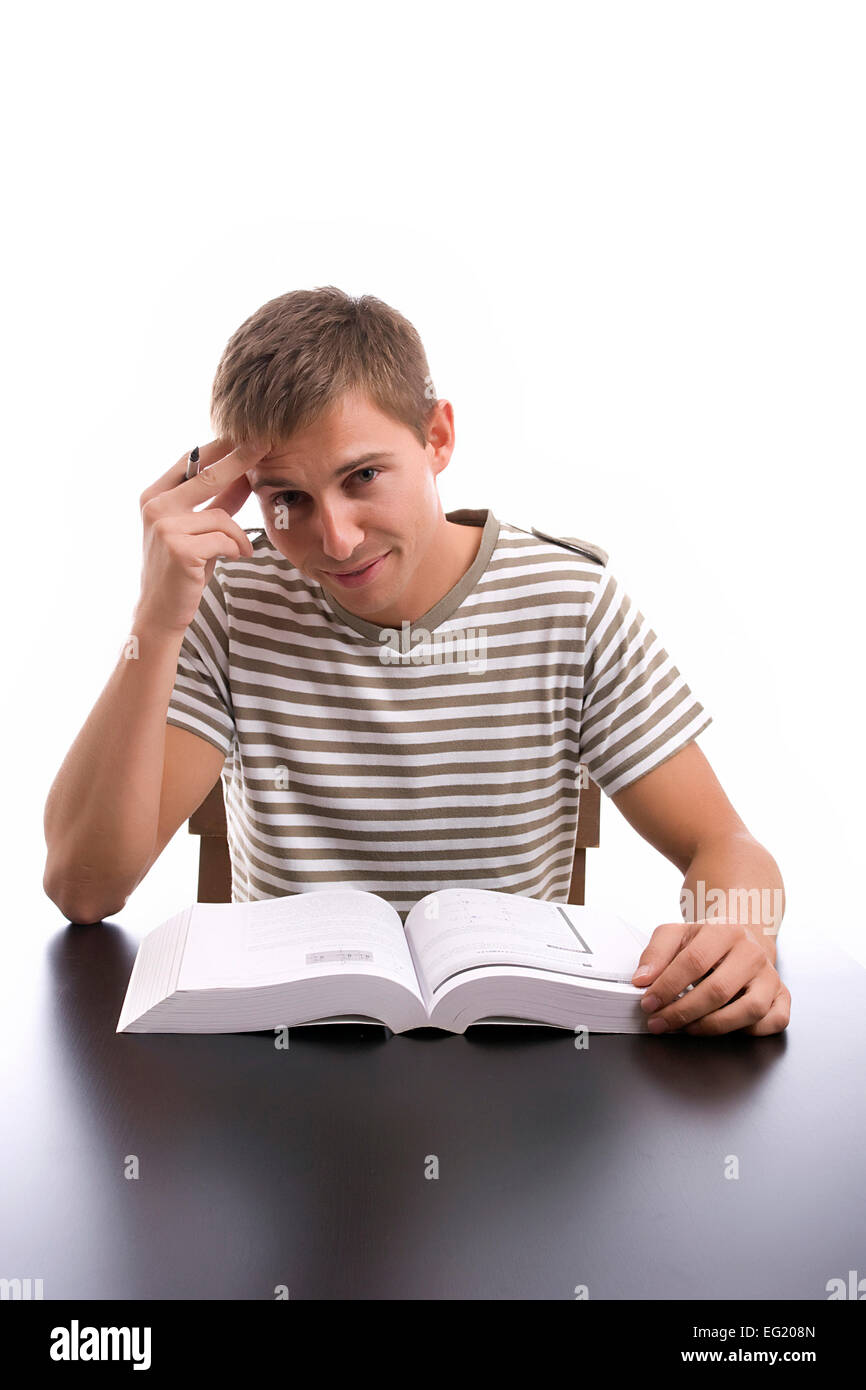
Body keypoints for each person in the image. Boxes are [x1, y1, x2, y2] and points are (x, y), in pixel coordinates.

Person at [42, 285, 789, 1036]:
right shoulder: (232, 604)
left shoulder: (571, 602)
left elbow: (723, 845)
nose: (335, 539)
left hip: (507, 1060)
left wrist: (740, 935)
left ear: (437, 437)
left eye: (362, 476)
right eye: (287, 498)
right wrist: (157, 617)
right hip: (287, 1062)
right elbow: (83, 888)